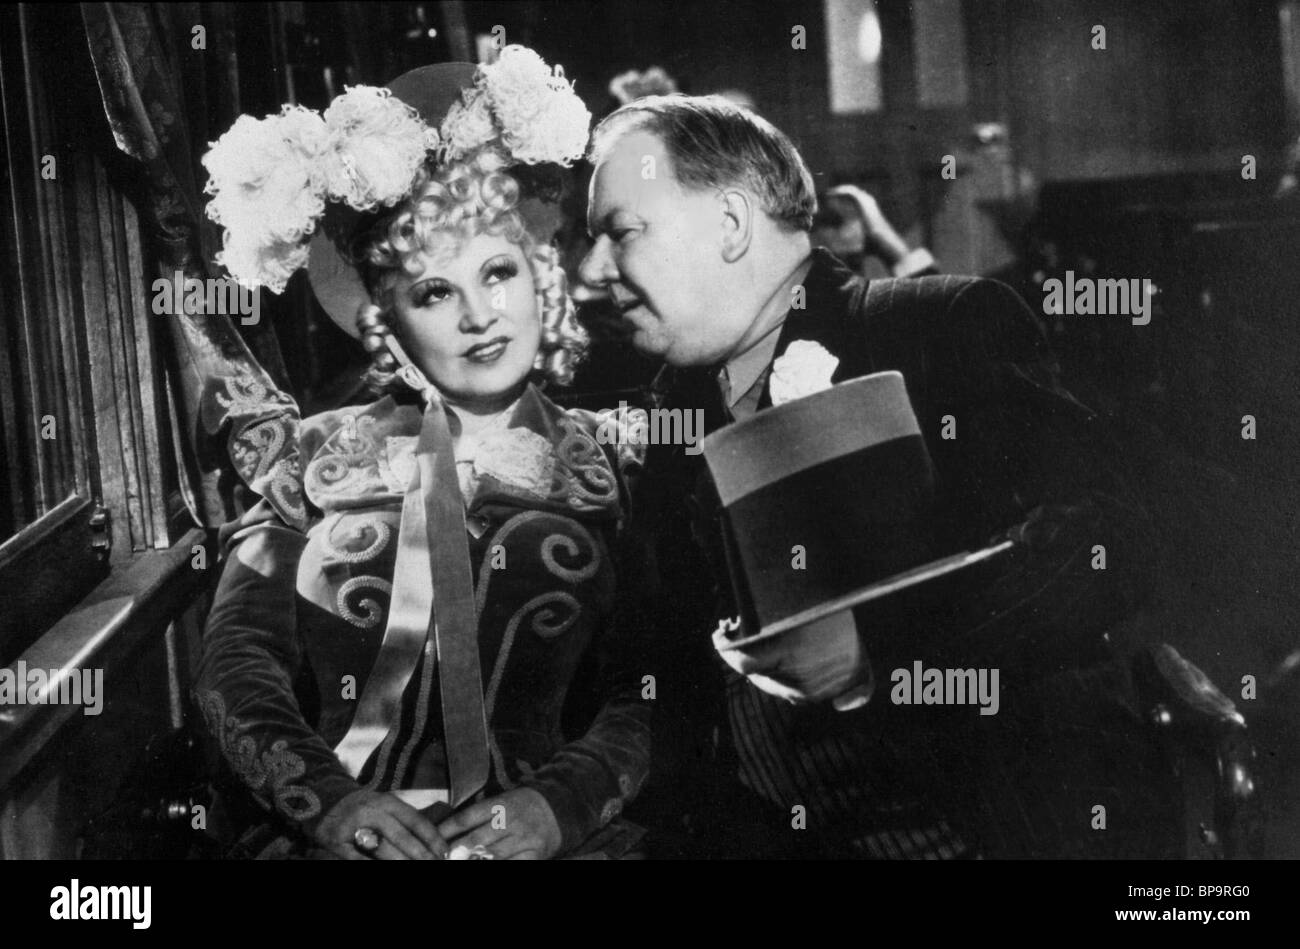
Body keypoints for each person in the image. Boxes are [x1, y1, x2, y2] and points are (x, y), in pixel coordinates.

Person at [579, 94, 1177, 858]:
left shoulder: (941, 325)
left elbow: (1110, 539)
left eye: (619, 233)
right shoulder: (666, 420)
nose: (591, 270)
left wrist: (878, 649)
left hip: (988, 826)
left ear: (731, 224)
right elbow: (656, 675)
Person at [195, 47, 650, 860]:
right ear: (389, 321)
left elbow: (655, 681)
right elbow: (239, 663)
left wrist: (562, 804)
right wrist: (329, 806)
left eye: (498, 272)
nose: (481, 315)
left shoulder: (616, 461)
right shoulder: (311, 462)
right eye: (436, 291)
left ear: (539, 279)